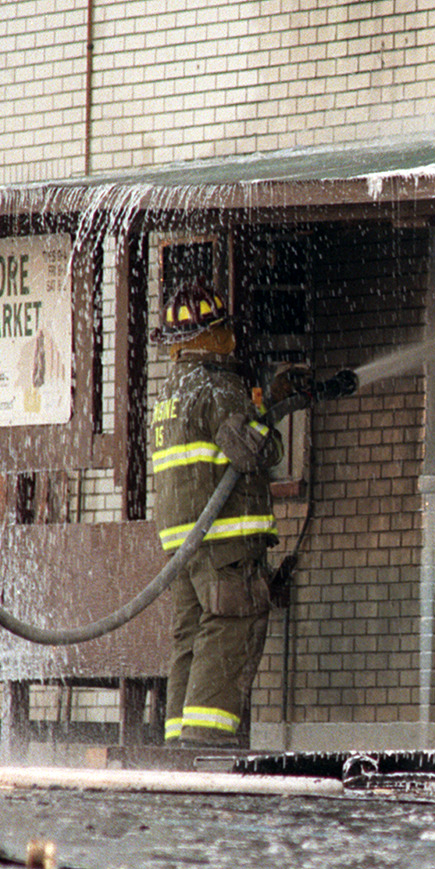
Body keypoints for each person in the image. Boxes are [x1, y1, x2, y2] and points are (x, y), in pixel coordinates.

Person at [151, 281, 281, 747]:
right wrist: (268, 412)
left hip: (183, 547)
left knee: (188, 639)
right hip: (224, 542)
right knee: (229, 631)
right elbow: (252, 450)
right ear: (212, 335)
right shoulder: (218, 387)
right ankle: (205, 744)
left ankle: (176, 744)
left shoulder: (169, 395)